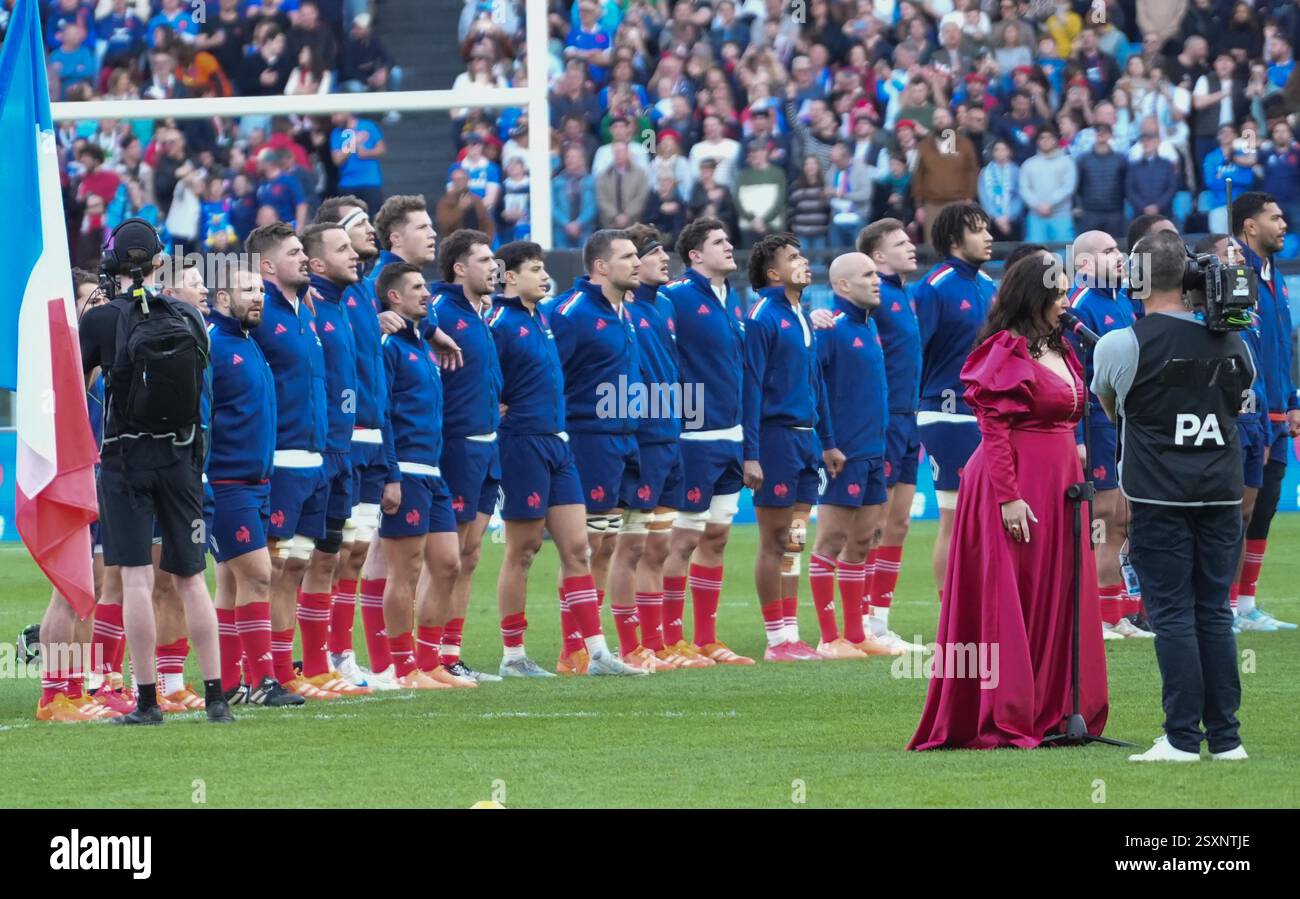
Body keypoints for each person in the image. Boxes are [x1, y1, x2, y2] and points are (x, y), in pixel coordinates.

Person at [909, 253, 1109, 750]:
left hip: (1061, 481)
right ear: (1033, 296)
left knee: (1057, 589)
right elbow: (994, 431)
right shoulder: (1005, 349)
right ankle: (1005, 710)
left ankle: (1054, 706)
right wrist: (1008, 499)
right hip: (1011, 482)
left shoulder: (1064, 345)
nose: (1067, 301)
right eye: (1059, 292)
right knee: (1011, 591)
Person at [1092, 230, 1253, 763]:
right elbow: (1241, 403)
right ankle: (1227, 739)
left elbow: (1113, 407)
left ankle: (1182, 738)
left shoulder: (1122, 342)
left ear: (1136, 279)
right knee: (1214, 612)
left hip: (1158, 495)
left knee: (1173, 615)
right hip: (1221, 494)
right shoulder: (1236, 340)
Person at [77, 218, 230, 725]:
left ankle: (146, 701)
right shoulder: (188, 315)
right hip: (182, 457)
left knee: (137, 580)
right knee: (191, 579)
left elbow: (78, 390)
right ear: (160, 263)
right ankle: (216, 698)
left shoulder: (100, 320)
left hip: (125, 458)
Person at [487, 242, 646, 677]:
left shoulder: (543, 319)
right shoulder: (503, 321)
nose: (544, 277)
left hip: (560, 445)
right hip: (522, 442)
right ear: (510, 277)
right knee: (523, 549)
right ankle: (513, 655)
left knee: (579, 548)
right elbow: (480, 373)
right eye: (535, 270)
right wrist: (493, 408)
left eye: (543, 269)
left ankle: (596, 654)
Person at [246, 222, 339, 700]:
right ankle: (257, 673)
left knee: (296, 568)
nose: (305, 258)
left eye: (305, 250)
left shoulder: (306, 311)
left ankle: (284, 669)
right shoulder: (258, 312)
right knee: (268, 570)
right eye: (294, 252)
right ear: (266, 266)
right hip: (278, 458)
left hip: (314, 458)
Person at [204, 261, 303, 707]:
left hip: (256, 481)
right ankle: (263, 681)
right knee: (260, 575)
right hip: (227, 482)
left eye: (261, 289)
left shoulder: (250, 343)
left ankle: (230, 683)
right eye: (248, 290)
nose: (259, 297)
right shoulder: (213, 347)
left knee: (231, 582)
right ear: (223, 299)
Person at [659, 220, 757, 666]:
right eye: (718, 242)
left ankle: (707, 638)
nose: (729, 246)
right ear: (695, 255)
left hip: (731, 437)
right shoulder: (675, 296)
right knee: (682, 540)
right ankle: (670, 640)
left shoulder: (731, 299)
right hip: (694, 437)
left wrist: (748, 445)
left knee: (716, 537)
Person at [547, 231, 645, 672]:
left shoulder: (623, 311)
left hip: (624, 438)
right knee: (584, 546)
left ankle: (589, 644)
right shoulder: (570, 313)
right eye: (627, 257)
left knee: (605, 543)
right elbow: (550, 375)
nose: (637, 263)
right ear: (600, 266)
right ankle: (574, 648)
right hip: (587, 439)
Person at [743, 234, 843, 661]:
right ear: (773, 273)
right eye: (793, 258)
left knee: (796, 540)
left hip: (805, 441)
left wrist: (829, 442)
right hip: (775, 439)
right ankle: (775, 639)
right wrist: (750, 452)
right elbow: (748, 387)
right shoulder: (763, 316)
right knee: (774, 539)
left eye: (803, 255)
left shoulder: (800, 316)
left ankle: (792, 634)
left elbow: (816, 384)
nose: (803, 263)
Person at [372, 263, 472, 690]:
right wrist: (390, 473)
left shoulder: (422, 346)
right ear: (394, 297)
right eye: (416, 288)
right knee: (406, 570)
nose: (425, 294)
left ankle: (430, 661)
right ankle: (402, 667)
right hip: (407, 471)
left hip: (433, 471)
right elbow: (383, 414)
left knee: (449, 564)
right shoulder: (390, 346)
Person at [607, 224, 702, 670]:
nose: (665, 259)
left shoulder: (664, 304)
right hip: (639, 438)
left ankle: (660, 642)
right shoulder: (617, 307)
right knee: (632, 547)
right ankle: (631, 647)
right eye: (654, 253)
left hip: (671, 435)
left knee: (660, 547)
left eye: (666, 252)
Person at [311, 196, 390, 687]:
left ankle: (341, 655)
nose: (368, 235)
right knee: (325, 554)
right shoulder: (323, 299)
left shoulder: (361, 292)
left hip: (371, 434)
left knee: (356, 551)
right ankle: (314, 658)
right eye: (356, 227)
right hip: (340, 437)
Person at [427, 230, 506, 683]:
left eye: (495, 259)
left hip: (488, 444)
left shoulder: (482, 314)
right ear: (460, 268)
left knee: (471, 554)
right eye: (483, 259)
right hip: (456, 445)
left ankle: (450, 652)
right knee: (447, 557)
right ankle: (427, 653)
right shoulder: (439, 309)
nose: (493, 267)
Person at [298, 223, 373, 696]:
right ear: (317, 264)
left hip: (345, 450)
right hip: (313, 453)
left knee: (329, 558)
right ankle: (280, 665)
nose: (355, 254)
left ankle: (320, 661)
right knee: (289, 563)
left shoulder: (345, 307)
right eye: (343, 247)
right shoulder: (308, 310)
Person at [1066, 230, 1150, 639]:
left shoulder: (1122, 299)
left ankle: (1116, 613)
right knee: (1099, 517)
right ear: (1083, 264)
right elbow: (1073, 377)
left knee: (1122, 516)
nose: (1119, 257)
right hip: (1096, 426)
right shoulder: (1079, 306)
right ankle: (1094, 615)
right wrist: (1076, 436)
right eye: (1109, 251)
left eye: (1119, 250)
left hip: (1124, 423)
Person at [807, 251, 890, 660]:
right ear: (842, 286)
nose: (877, 280)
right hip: (843, 452)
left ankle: (856, 633)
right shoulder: (830, 329)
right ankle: (828, 637)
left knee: (863, 540)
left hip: (874, 451)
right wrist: (826, 443)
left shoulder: (868, 326)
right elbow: (812, 389)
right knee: (831, 540)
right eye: (868, 274)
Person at [912, 202, 996, 597]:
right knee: (955, 516)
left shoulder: (989, 286)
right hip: (947, 416)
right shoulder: (933, 287)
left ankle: (979, 601)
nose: (989, 236)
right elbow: (915, 353)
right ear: (954, 240)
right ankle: (950, 608)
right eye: (979, 230)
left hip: (988, 416)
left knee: (987, 516)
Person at [1230, 193, 1300, 630]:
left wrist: (1293, 402)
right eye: (1274, 218)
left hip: (1278, 415)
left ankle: (1246, 605)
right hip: (1248, 416)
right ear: (1250, 226)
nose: (1283, 224)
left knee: (1265, 508)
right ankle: (1225, 602)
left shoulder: (1279, 279)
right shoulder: (1237, 277)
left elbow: (1284, 348)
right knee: (1238, 508)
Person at [857, 220, 926, 653]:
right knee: (873, 526)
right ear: (878, 256)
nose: (911, 247)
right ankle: (859, 621)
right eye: (900, 243)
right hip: (881, 422)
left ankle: (880, 622)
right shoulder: (874, 295)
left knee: (898, 524)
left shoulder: (903, 294)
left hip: (910, 418)